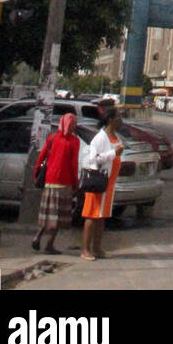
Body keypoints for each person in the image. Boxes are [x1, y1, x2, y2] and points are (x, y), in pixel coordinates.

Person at [31, 112, 80, 255]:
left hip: (49, 181)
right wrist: (75, 184)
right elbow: (73, 165)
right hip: (64, 183)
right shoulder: (74, 141)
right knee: (58, 216)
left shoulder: (52, 137)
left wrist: (36, 174)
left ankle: (37, 236)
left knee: (48, 214)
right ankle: (49, 245)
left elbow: (41, 157)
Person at [81, 104, 124, 261]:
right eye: (118, 117)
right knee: (92, 216)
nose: (121, 120)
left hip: (109, 184)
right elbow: (93, 159)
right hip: (98, 182)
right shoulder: (99, 138)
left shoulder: (116, 136)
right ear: (111, 119)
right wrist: (113, 153)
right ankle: (85, 249)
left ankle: (97, 248)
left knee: (101, 216)